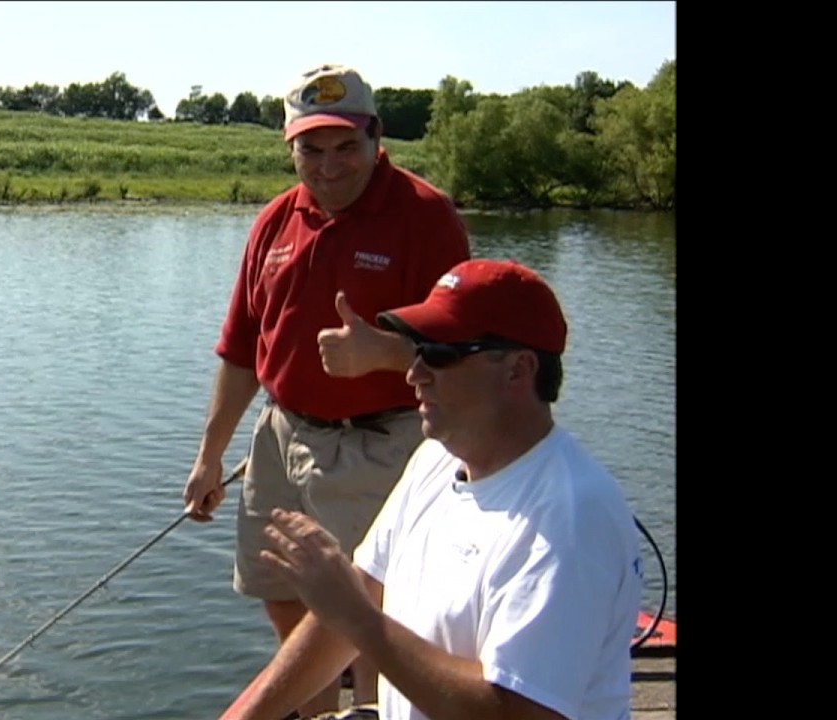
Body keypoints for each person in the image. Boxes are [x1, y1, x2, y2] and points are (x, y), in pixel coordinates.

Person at [216, 258, 645, 720]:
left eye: (440, 354)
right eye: (417, 350)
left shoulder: (572, 519)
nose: (414, 372)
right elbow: (353, 606)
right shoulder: (434, 461)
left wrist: (360, 621)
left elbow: (520, 713)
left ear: (519, 370)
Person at [182, 63, 470, 717]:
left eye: (345, 146)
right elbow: (240, 349)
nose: (329, 166)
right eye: (311, 149)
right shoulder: (275, 221)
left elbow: (472, 353)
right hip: (280, 437)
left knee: (366, 605)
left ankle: (369, 709)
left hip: (382, 443)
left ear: (376, 138)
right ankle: (317, 711)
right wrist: (209, 457)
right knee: (280, 588)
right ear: (290, 147)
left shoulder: (425, 217)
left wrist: (384, 353)